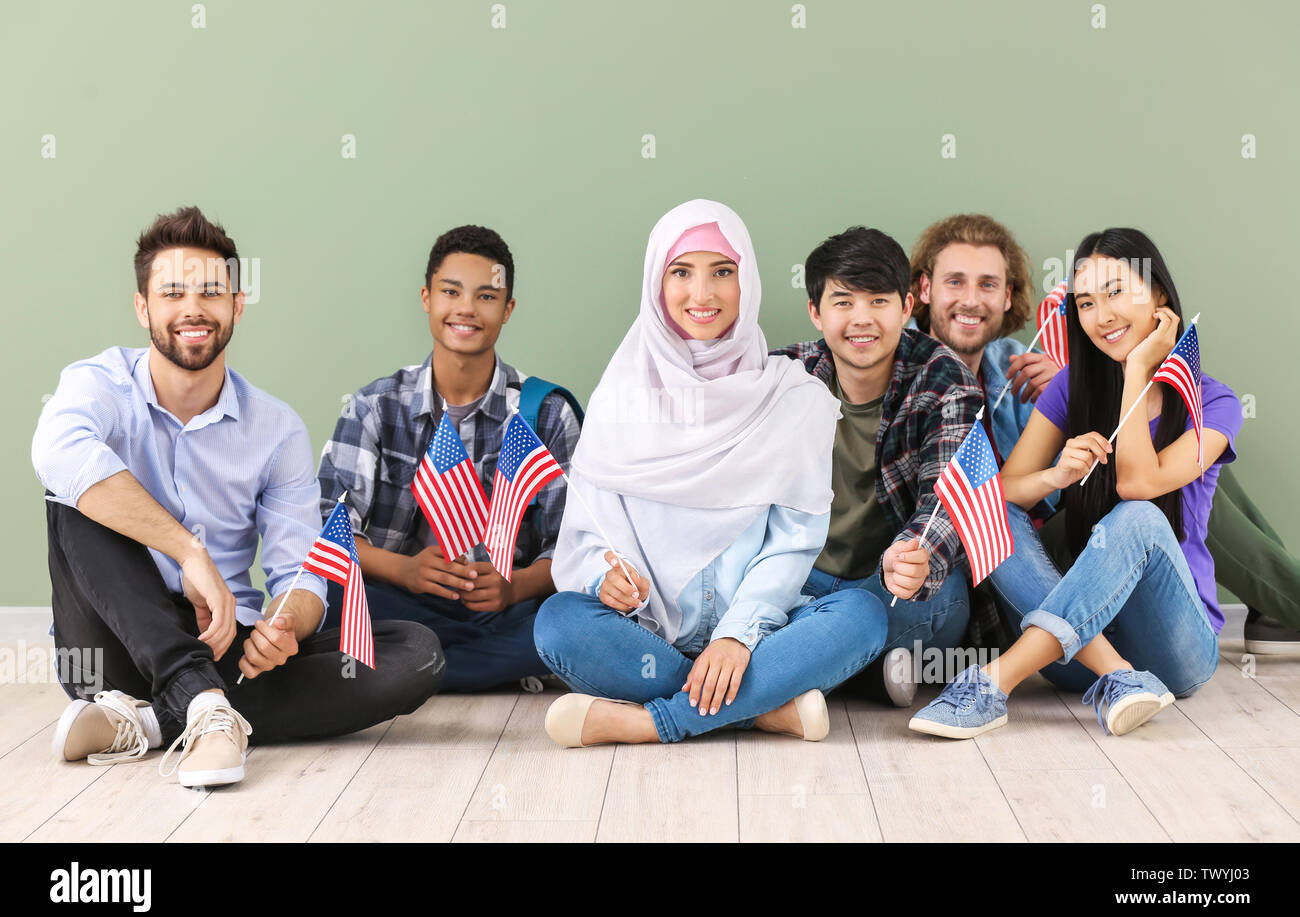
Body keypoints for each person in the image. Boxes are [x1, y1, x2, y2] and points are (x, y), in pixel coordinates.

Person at [33, 206, 443, 787]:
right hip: (115, 640)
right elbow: (57, 452)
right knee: (74, 489)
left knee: (413, 650)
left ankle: (154, 721)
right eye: (172, 292)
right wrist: (188, 553)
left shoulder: (276, 429)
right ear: (142, 307)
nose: (192, 308)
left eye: (210, 292)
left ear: (236, 305)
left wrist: (284, 625)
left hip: (226, 644)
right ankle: (201, 706)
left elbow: (302, 572)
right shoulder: (99, 383)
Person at [533, 199, 885, 747]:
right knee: (557, 622)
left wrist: (737, 637)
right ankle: (762, 710)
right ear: (656, 283)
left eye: (722, 272)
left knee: (863, 614)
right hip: (644, 634)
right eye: (681, 272)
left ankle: (652, 721)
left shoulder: (794, 397)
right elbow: (586, 535)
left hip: (762, 635)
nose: (703, 294)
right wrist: (605, 578)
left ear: (747, 284)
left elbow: (793, 545)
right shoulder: (620, 398)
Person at [913, 212, 1300, 653]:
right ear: (924, 290)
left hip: (1148, 600)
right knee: (999, 509)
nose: (1102, 316)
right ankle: (1280, 603)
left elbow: (1137, 488)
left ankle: (1279, 604)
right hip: (1028, 562)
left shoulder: (1015, 362)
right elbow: (990, 498)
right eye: (1086, 303)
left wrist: (1127, 372)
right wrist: (1057, 467)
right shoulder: (916, 369)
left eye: (987, 284)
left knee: (1192, 468)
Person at [317, 225, 582, 692]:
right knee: (330, 597)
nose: (466, 309)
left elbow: (574, 547)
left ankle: (415, 666)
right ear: (426, 298)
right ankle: (486, 665)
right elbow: (326, 533)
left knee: (578, 617)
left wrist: (514, 587)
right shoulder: (374, 407)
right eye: (451, 291)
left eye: (486, 296)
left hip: (509, 604)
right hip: (402, 600)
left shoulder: (547, 413)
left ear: (507, 309)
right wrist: (405, 570)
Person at [772, 227, 983, 706]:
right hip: (801, 581)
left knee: (945, 596)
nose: (861, 320)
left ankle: (796, 667)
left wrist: (914, 552)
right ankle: (860, 675)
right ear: (815, 312)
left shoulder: (944, 377)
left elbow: (948, 500)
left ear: (907, 307)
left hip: (887, 586)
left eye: (879, 302)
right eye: (843, 302)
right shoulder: (784, 376)